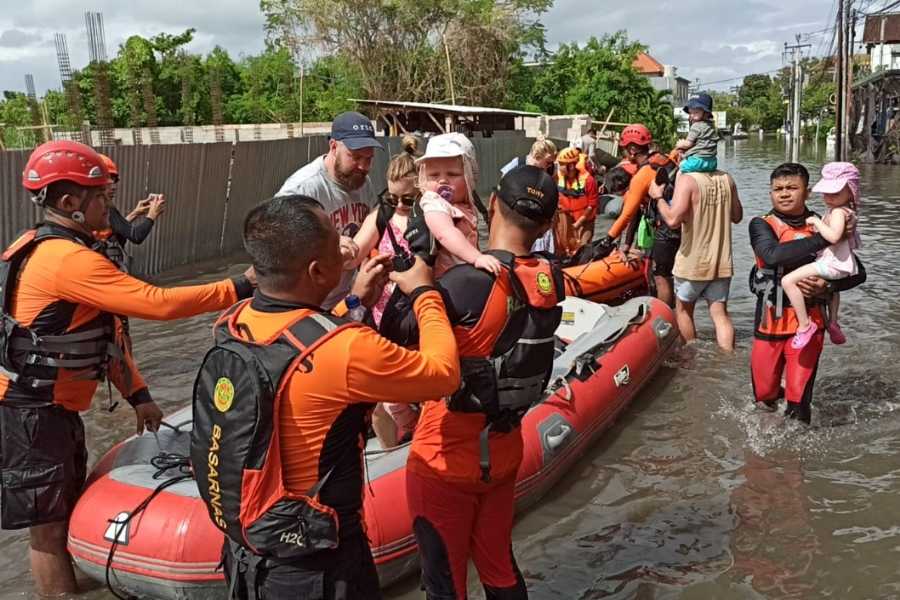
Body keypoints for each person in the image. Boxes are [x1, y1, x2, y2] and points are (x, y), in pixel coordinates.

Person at [0, 140, 255, 596]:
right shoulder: (66, 259)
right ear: (69, 203)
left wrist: (139, 395)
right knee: (47, 527)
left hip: (49, 408)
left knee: (61, 513)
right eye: (104, 197)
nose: (110, 206)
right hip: (29, 413)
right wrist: (239, 285)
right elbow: (155, 303)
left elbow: (106, 337)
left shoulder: (69, 248)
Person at [195, 194, 460, 599]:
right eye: (337, 241)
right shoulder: (349, 348)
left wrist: (353, 303)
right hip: (319, 565)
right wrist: (426, 293)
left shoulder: (232, 324)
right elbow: (443, 375)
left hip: (248, 556)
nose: (346, 246)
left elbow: (295, 354)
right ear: (318, 271)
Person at [381, 165, 565, 600]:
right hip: (504, 452)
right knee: (499, 566)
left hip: (444, 459)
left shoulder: (466, 283)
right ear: (546, 225)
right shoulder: (549, 278)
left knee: (445, 583)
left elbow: (393, 337)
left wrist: (418, 269)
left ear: (494, 205)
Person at [749, 163, 866, 423]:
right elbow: (771, 256)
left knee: (799, 400)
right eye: (778, 189)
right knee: (764, 395)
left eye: (792, 187)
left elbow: (858, 273)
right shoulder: (761, 224)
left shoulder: (827, 221)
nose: (784, 193)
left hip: (810, 321)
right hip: (770, 320)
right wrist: (828, 239)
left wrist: (829, 286)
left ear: (808, 192)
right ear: (770, 193)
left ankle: (796, 458)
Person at [351, 135, 423, 448]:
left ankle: (423, 435)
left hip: (417, 313)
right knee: (380, 398)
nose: (400, 207)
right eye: (393, 199)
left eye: (408, 200)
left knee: (419, 384)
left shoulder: (432, 218)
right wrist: (342, 250)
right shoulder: (381, 216)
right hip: (382, 315)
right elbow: (356, 250)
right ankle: (392, 449)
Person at [276, 111, 383, 308]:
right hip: (305, 307)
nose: (363, 166)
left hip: (346, 300)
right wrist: (325, 241)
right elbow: (273, 238)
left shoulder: (361, 181)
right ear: (334, 146)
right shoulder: (303, 187)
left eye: (369, 158)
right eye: (356, 156)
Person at [654, 164, 743, 351]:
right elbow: (737, 216)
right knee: (720, 314)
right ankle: (728, 357)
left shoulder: (688, 179)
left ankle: (691, 357)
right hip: (721, 262)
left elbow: (672, 220)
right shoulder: (727, 178)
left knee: (684, 310)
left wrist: (658, 197)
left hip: (692, 263)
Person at [781, 162, 861, 349]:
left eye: (835, 193)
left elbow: (833, 237)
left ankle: (804, 325)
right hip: (842, 264)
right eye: (826, 193)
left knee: (788, 281)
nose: (829, 198)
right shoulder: (847, 212)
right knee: (832, 290)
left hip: (831, 263)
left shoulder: (839, 213)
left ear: (850, 191)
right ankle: (832, 321)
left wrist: (816, 221)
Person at [417, 132, 502, 277]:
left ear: (469, 177)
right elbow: (445, 233)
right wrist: (477, 257)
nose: (442, 181)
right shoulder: (433, 202)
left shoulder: (467, 206)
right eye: (434, 175)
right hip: (445, 281)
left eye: (452, 174)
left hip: (464, 276)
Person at [553, 146, 598, 259]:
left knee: (583, 248)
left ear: (572, 165)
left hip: (585, 220)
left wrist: (579, 223)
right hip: (565, 218)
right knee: (561, 248)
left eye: (562, 164)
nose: (560, 167)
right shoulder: (557, 178)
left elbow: (592, 204)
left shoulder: (589, 181)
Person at [675, 93, 719, 174]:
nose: (692, 115)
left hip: (698, 161)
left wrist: (680, 144)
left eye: (696, 112)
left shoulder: (696, 126)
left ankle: (677, 186)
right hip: (712, 162)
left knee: (680, 168)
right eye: (691, 113)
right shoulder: (711, 125)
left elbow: (688, 144)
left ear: (705, 113)